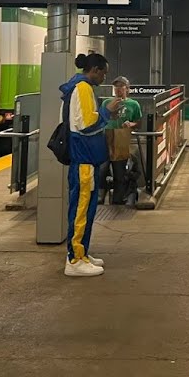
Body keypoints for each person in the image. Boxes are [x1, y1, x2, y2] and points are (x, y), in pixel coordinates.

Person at [60, 53, 122, 277]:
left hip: (83, 158)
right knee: (81, 210)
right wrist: (107, 112)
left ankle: (82, 252)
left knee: (83, 209)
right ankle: (75, 259)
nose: (104, 78)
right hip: (84, 158)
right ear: (94, 70)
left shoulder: (76, 88)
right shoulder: (84, 88)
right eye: (103, 73)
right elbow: (87, 124)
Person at [104, 76, 143, 204]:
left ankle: (117, 201)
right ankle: (100, 198)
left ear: (127, 89)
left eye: (121, 87)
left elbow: (138, 122)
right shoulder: (107, 103)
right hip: (106, 139)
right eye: (116, 87)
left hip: (121, 140)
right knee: (101, 171)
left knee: (119, 174)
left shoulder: (133, 104)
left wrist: (131, 124)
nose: (118, 90)